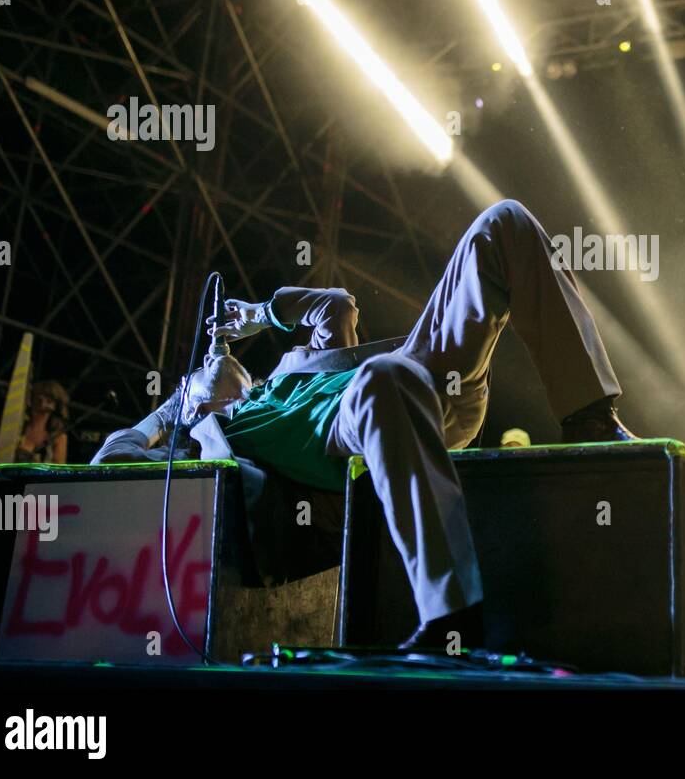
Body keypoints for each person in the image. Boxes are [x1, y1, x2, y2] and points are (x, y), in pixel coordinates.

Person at [93, 200, 635, 650]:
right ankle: (451, 617)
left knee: (503, 223)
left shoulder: (289, 372)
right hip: (361, 425)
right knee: (383, 379)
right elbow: (111, 458)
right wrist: (177, 405)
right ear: (194, 406)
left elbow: (335, 307)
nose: (217, 367)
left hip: (428, 373)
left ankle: (589, 416)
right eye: (202, 380)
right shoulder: (218, 430)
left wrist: (257, 314)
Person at [0, 379, 71, 465]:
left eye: (49, 398)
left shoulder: (58, 437)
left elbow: (57, 472)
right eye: (38, 395)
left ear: (56, 405)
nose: (42, 400)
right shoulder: (14, 429)